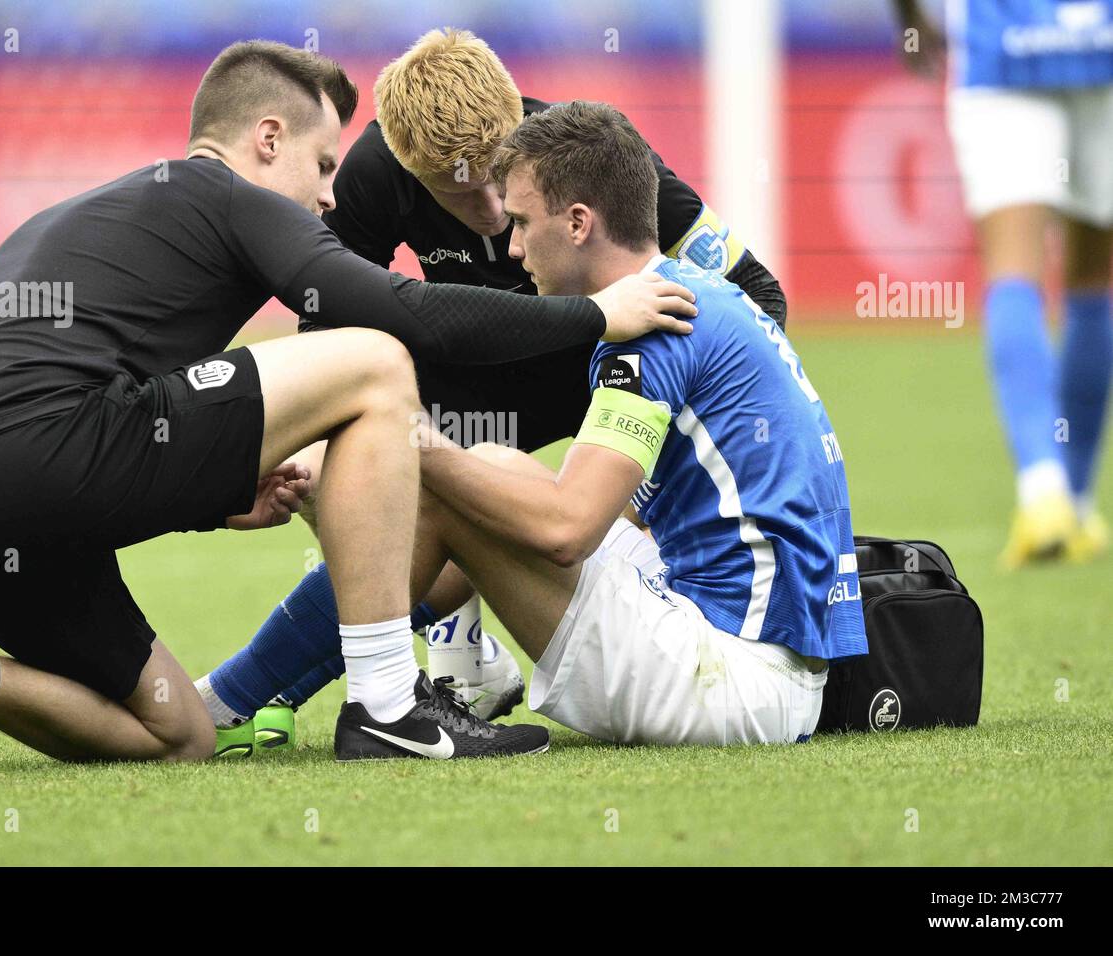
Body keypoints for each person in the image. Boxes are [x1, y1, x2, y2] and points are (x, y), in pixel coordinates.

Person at [0, 43, 695, 774]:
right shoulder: (222, 192)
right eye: (320, 165)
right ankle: (388, 705)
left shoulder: (95, 218)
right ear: (265, 138)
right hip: (38, 445)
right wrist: (592, 315)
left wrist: (211, 498)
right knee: (378, 364)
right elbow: (393, 311)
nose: (326, 196)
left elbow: (80, 395)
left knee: (176, 734)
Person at [209, 101, 867, 755]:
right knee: (492, 469)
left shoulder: (649, 336)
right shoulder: (693, 293)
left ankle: (313, 701)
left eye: (521, 222)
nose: (512, 245)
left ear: (579, 223)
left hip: (736, 681)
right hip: (770, 656)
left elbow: (564, 531)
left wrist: (400, 439)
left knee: (464, 483)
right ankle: (430, 668)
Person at [893, 0, 1113, 567]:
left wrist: (909, 15)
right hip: (1101, 40)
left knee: (1015, 270)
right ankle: (1080, 502)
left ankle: (1044, 493)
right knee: (1093, 277)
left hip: (1004, 43)